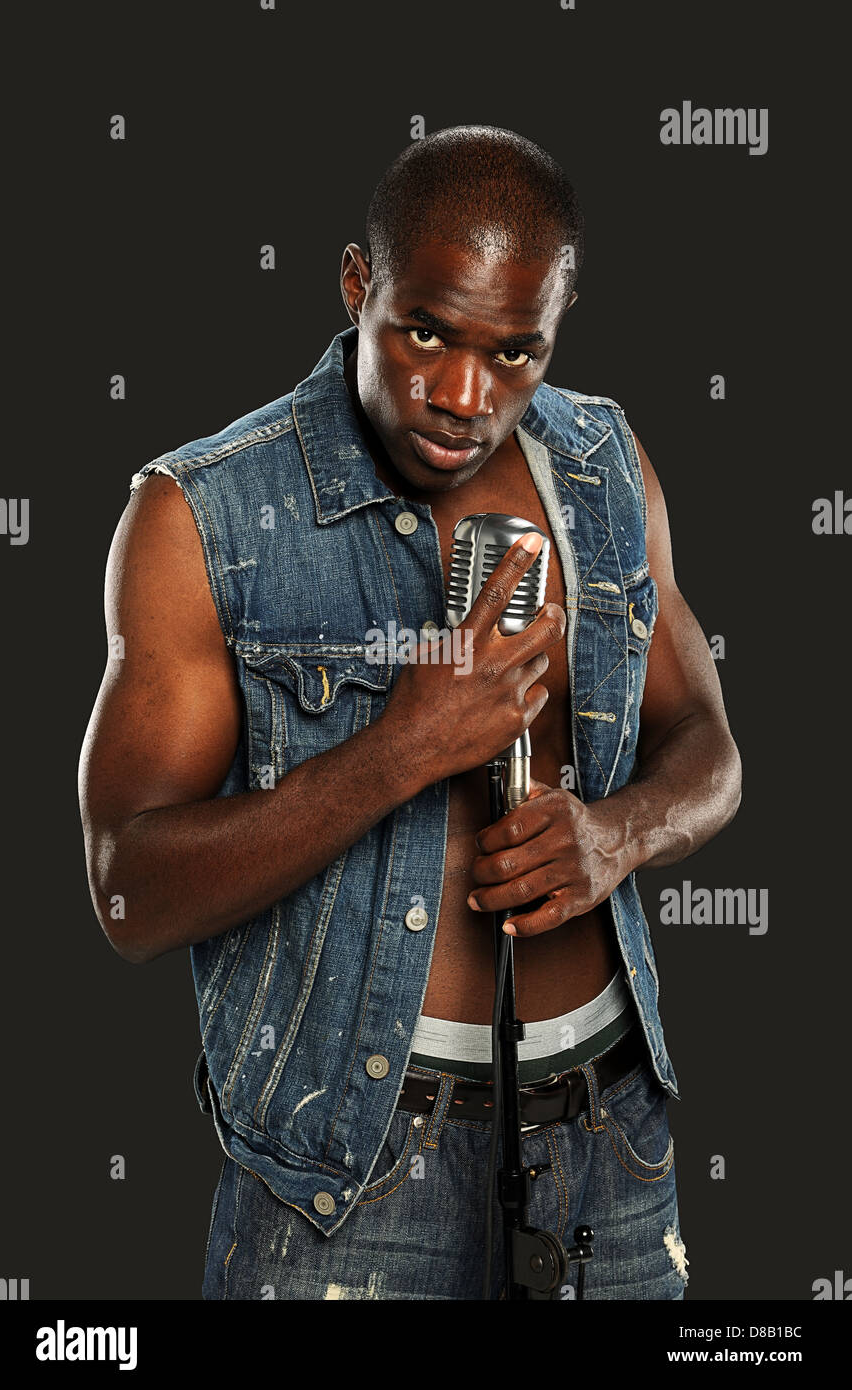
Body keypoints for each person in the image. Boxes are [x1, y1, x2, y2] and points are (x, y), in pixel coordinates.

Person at [78, 125, 742, 1301]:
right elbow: (129, 892)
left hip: (609, 1136)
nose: (460, 397)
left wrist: (619, 835)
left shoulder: (599, 461)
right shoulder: (206, 516)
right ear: (356, 285)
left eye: (514, 352)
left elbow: (709, 748)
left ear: (559, 317)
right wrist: (402, 750)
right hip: (353, 1175)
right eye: (424, 331)